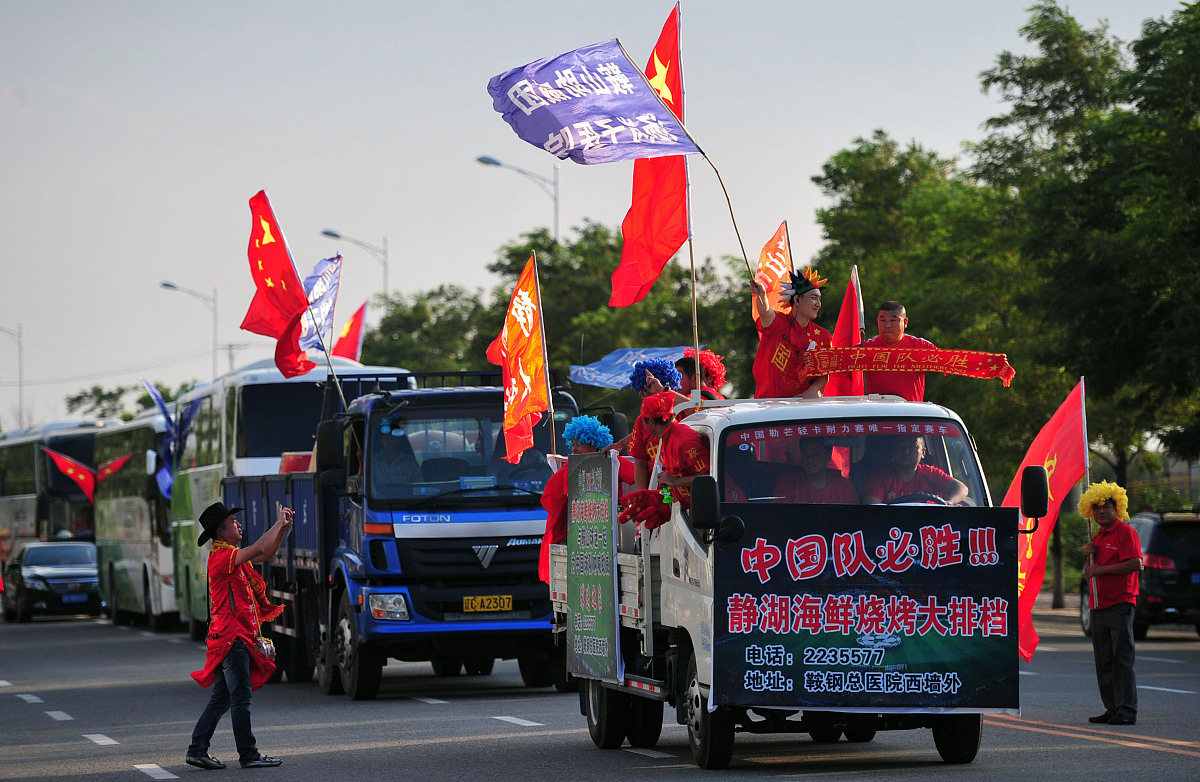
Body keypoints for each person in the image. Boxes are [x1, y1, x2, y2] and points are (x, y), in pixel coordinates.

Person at [186, 502, 293, 771]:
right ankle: (248, 754)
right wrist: (278, 523)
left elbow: (265, 554)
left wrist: (282, 530)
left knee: (222, 698)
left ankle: (197, 750)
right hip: (232, 639)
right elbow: (258, 548)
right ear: (221, 532)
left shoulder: (231, 554)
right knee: (241, 698)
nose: (239, 525)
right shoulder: (223, 557)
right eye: (233, 522)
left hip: (232, 637)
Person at [538, 416, 635, 583]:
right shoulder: (571, 466)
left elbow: (638, 477)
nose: (574, 449)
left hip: (612, 532)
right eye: (573, 444)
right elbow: (551, 496)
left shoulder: (613, 461)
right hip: (583, 537)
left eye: (579, 444)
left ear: (594, 443)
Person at [1080, 481, 1142, 726]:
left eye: (1106, 507)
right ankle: (1112, 707)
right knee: (1104, 660)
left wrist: (1102, 569)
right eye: (1096, 508)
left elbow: (1137, 563)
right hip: (1098, 605)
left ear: (1117, 509)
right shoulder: (1096, 538)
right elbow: (1090, 573)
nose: (1101, 512)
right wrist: (1089, 558)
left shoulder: (1125, 533)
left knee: (1122, 660)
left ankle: (1127, 710)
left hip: (1120, 604)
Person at [751, 267, 832, 399]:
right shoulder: (777, 324)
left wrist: (814, 389)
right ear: (797, 300)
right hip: (769, 406)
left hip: (803, 407)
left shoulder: (822, 336)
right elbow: (765, 311)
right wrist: (761, 295)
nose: (818, 304)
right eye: (813, 298)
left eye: (819, 299)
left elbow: (824, 373)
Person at [639, 391, 710, 510]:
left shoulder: (684, 440)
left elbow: (710, 476)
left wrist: (676, 481)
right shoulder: (668, 437)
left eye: (643, 421)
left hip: (708, 514)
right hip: (691, 511)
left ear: (651, 422)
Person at [619, 358, 682, 491]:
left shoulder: (681, 410)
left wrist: (663, 391)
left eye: (646, 389)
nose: (642, 395)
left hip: (684, 491)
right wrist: (644, 496)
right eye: (639, 390)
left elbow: (698, 409)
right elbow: (640, 465)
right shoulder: (642, 421)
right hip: (656, 493)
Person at [862, 301, 938, 401]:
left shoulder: (920, 347)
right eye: (883, 320)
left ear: (905, 322)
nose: (887, 325)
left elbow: (950, 363)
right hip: (878, 412)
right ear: (877, 321)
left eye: (893, 320)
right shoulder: (867, 349)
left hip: (911, 412)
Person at [862, 435, 967, 505]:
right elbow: (872, 507)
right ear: (893, 451)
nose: (906, 452)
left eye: (912, 447)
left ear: (923, 453)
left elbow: (961, 488)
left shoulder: (931, 473)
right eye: (901, 447)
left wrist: (949, 503)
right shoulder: (879, 477)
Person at [775, 439, 859, 504]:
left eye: (816, 454)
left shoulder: (844, 487)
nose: (810, 459)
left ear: (828, 456)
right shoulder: (788, 483)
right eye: (805, 453)